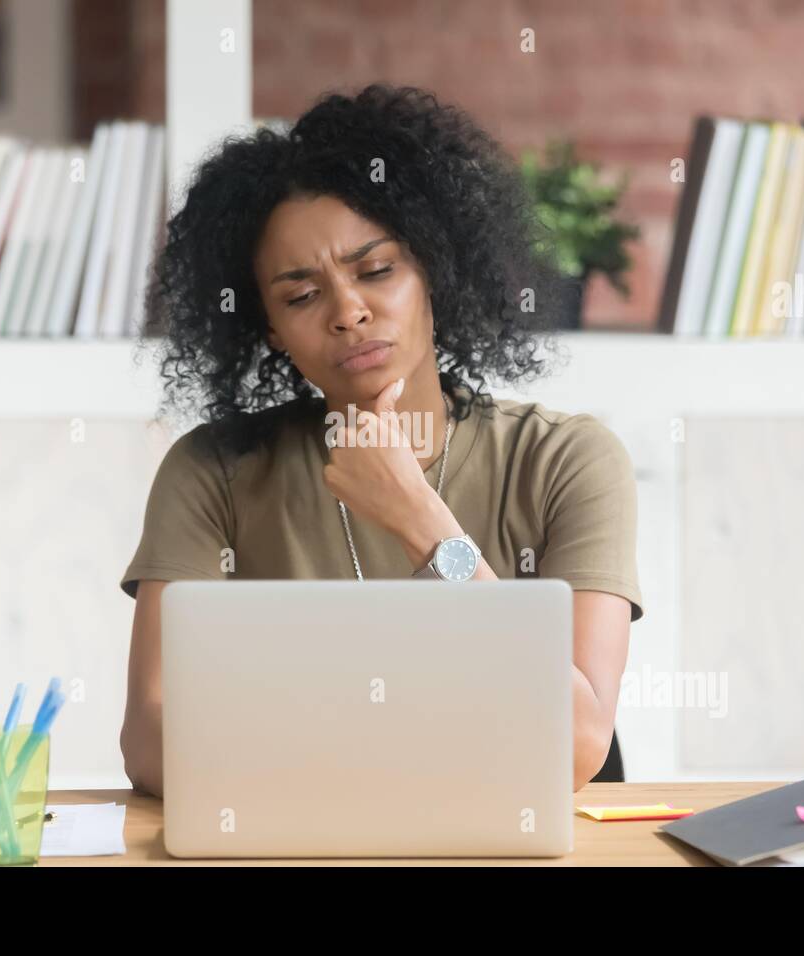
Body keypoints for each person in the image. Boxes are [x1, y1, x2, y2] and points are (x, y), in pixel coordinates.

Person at [119, 84, 643, 798]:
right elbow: (150, 742)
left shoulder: (566, 461)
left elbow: (579, 743)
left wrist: (420, 521)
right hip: (300, 837)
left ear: (434, 268)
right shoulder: (214, 474)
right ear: (270, 328)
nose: (348, 312)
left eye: (376, 271)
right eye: (302, 296)